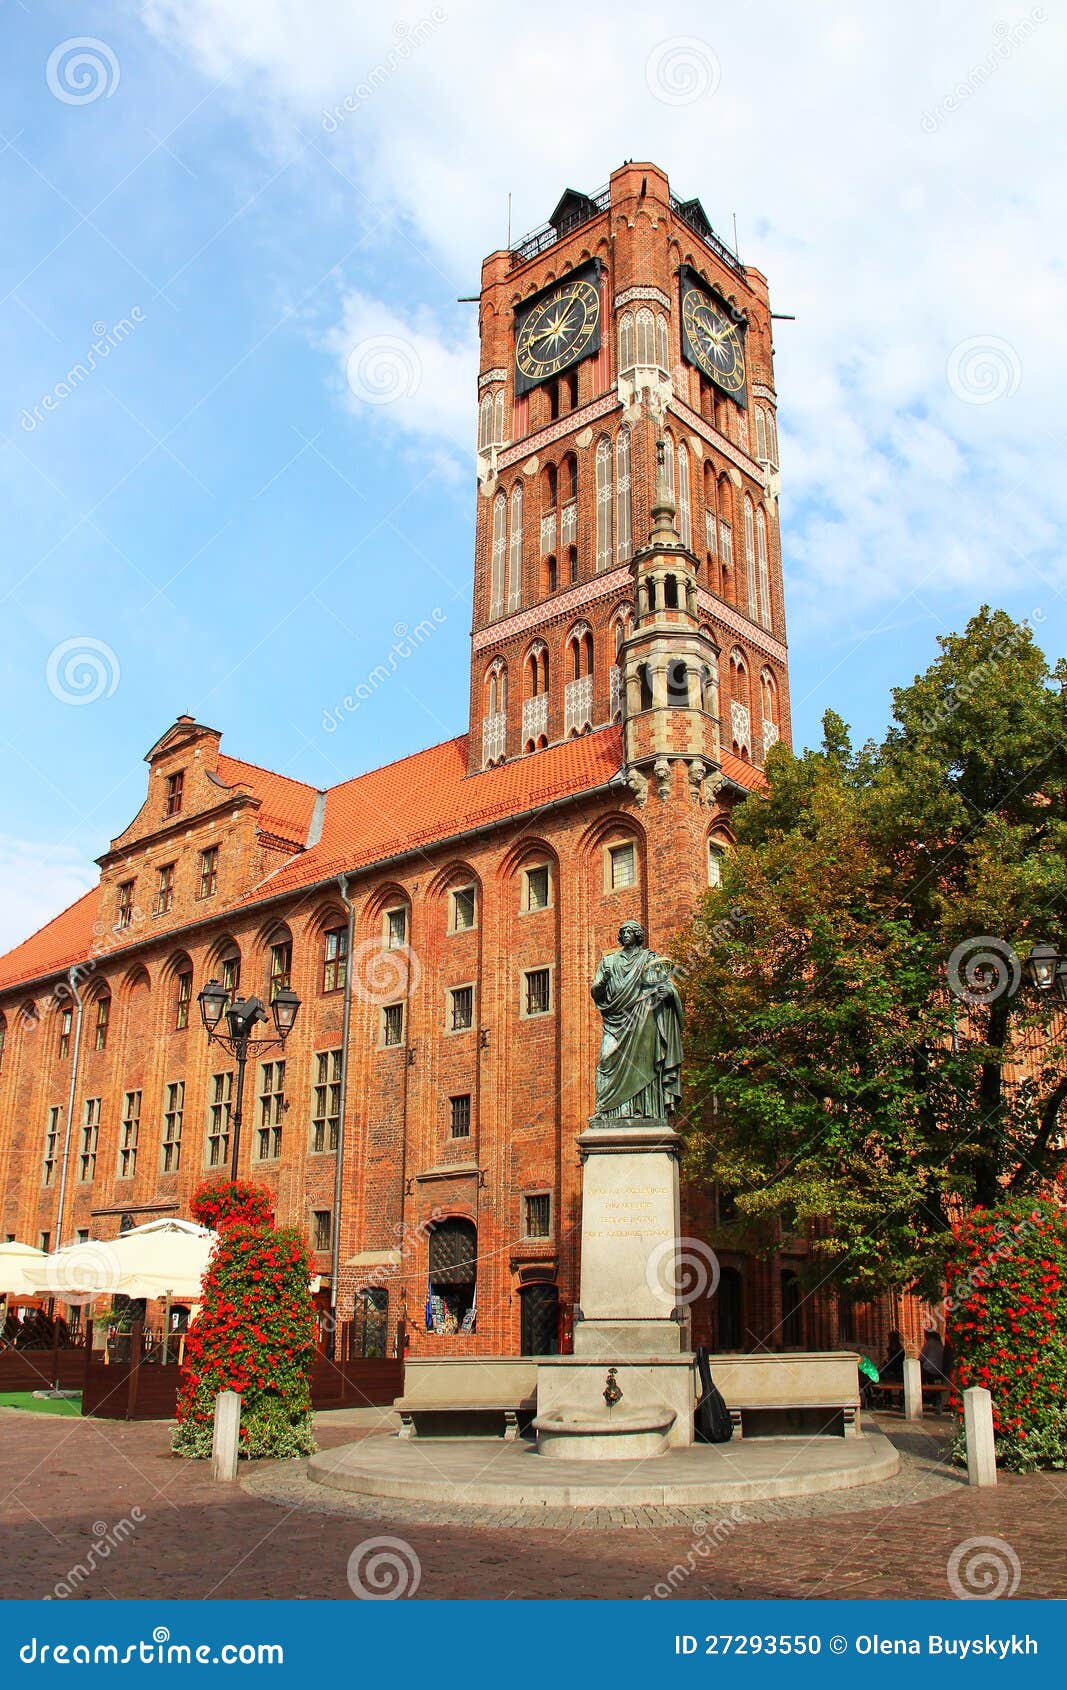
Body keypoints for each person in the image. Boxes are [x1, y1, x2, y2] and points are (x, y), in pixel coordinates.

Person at [590, 920, 684, 1119]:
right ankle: (606, 1111)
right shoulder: (608, 962)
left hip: (644, 1017)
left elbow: (666, 984)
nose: (625, 935)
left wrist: (668, 993)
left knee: (645, 1063)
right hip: (616, 1021)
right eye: (623, 932)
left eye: (630, 931)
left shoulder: (649, 959)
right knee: (606, 1060)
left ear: (638, 935)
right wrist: (604, 980)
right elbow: (596, 993)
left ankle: (646, 1110)